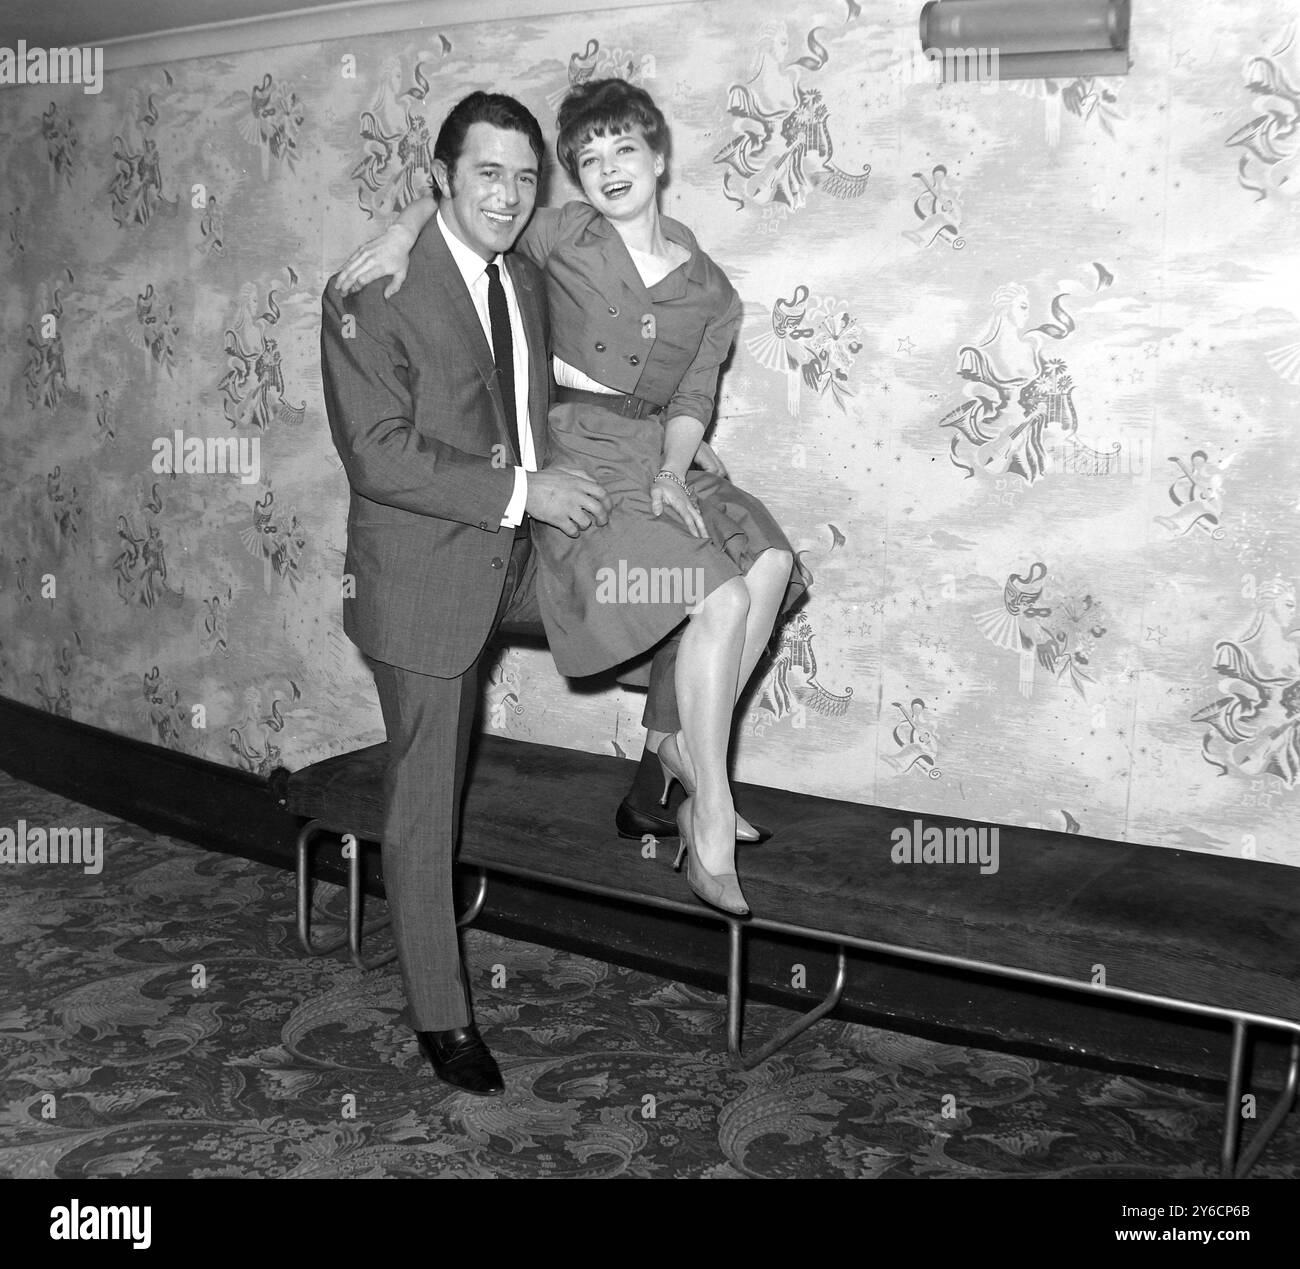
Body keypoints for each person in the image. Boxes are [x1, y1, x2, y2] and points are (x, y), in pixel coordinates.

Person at [337, 78, 809, 921]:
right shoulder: (559, 234)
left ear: (659, 157)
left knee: (771, 560)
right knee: (719, 595)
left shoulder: (711, 288)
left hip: (658, 450)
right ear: (576, 181)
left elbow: (693, 397)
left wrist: (674, 466)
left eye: (624, 149)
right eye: (587, 159)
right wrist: (401, 228)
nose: (607, 168)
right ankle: (708, 814)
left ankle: (669, 742)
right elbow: (465, 211)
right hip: (578, 449)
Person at [321, 91, 685, 1098]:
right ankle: (442, 1015)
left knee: (697, 597)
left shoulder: (522, 268)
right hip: (424, 574)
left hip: (520, 551)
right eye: (488, 172)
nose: (512, 194)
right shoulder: (367, 293)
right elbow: (378, 456)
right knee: (424, 809)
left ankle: (652, 789)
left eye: (526, 177)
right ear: (440, 175)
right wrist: (527, 490)